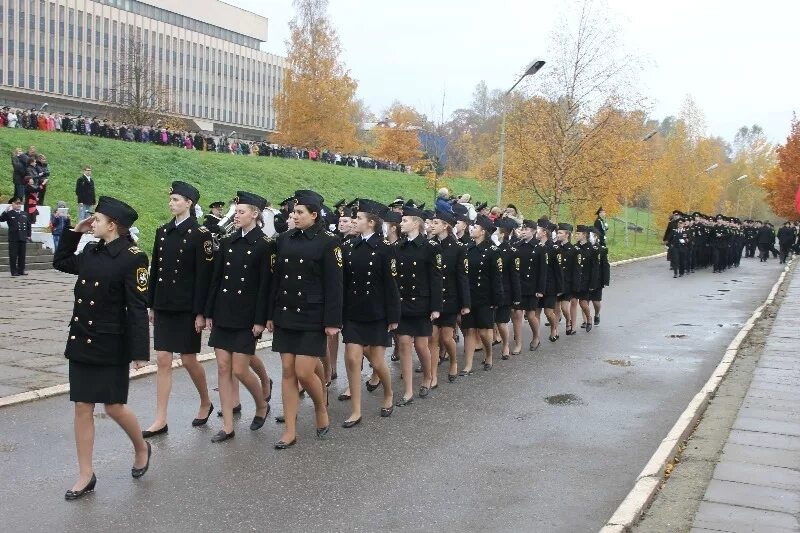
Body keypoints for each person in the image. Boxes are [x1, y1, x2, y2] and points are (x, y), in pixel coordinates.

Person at [52, 196, 152, 500]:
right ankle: (86, 474)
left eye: (96, 219)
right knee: (82, 406)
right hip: (82, 339)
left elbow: (137, 308)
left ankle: (141, 446)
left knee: (113, 407)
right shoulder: (91, 250)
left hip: (111, 343)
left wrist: (139, 353)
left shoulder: (133, 257)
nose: (92, 221)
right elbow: (60, 262)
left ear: (113, 225)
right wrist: (75, 232)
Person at [267, 189, 342, 449]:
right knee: (288, 371)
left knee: (303, 371)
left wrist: (333, 321)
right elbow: (276, 279)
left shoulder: (328, 242)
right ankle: (290, 430)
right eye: (293, 212)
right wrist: (270, 314)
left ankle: (321, 408)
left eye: (300, 212)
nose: (294, 216)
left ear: (314, 214)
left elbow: (335, 285)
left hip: (312, 315)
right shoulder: (284, 239)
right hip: (286, 312)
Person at [142, 182, 217, 438]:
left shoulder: (200, 233)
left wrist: (201, 312)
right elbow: (156, 271)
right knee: (163, 359)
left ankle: (206, 400)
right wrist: (151, 303)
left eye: (176, 199)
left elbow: (203, 277)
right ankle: (160, 418)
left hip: (187, 307)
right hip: (164, 304)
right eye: (170, 199)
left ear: (189, 203)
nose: (171, 203)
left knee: (187, 359)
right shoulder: (162, 231)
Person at [204, 191, 273, 443]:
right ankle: (228, 425)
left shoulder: (265, 244)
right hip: (224, 312)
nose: (236, 216)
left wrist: (260, 320)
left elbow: (266, 286)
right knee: (223, 367)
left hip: (246, 316)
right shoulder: (228, 241)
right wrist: (209, 311)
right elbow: (216, 279)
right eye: (235, 212)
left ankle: (261, 404)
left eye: (241, 212)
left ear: (254, 214)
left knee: (241, 370)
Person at [340, 199, 399, 426]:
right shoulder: (350, 247)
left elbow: (391, 285)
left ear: (371, 222)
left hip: (377, 313)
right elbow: (344, 283)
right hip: (354, 312)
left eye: (359, 218)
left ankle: (388, 393)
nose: (355, 222)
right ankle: (356, 409)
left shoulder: (385, 249)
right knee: (353, 359)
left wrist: (393, 317)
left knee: (376, 361)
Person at [393, 204, 443, 405]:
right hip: (403, 302)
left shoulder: (431, 247)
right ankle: (408, 390)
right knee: (404, 343)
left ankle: (428, 376)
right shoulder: (398, 247)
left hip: (422, 303)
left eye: (405, 220)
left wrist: (436, 307)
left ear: (416, 223)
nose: (401, 223)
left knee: (422, 345)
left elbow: (437, 279)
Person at [428, 209, 470, 382]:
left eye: (436, 223)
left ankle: (453, 361)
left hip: (451, 298)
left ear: (445, 226)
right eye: (432, 223)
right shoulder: (429, 245)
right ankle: (433, 376)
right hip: (433, 299)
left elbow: (462, 276)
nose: (432, 226)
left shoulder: (459, 248)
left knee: (446, 337)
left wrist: (465, 303)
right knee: (432, 338)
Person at [461, 215, 503, 373]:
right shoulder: (467, 248)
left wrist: (496, 299)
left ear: (483, 231)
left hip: (485, 297)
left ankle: (489, 354)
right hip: (469, 296)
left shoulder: (493, 251)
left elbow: (496, 278)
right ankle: (468, 364)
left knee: (485, 332)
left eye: (475, 227)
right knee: (469, 330)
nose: (472, 229)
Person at [513, 220, 547, 352]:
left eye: (527, 229)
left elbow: (543, 271)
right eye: (523, 229)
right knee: (517, 314)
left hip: (532, 286)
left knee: (531, 315)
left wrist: (540, 289)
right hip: (519, 285)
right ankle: (518, 344)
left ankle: (536, 337)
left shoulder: (539, 247)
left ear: (533, 231)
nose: (523, 231)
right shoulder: (517, 245)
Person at [494, 217, 521, 359]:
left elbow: (515, 276)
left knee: (502, 321)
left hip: (506, 292)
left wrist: (517, 298)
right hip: (495, 291)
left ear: (504, 233)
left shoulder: (512, 251)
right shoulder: (495, 249)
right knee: (495, 321)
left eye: (498, 230)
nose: (496, 233)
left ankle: (505, 345)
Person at [1, 197, 28, 276]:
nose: (18, 205)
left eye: (19, 203)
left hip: (22, 237)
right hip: (14, 238)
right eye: (16, 203)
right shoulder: (9, 213)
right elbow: (1, 219)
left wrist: (28, 235)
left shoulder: (24, 213)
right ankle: (14, 271)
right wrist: (5, 211)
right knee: (13, 255)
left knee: (22, 256)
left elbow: (28, 225)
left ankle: (21, 270)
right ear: (12, 204)